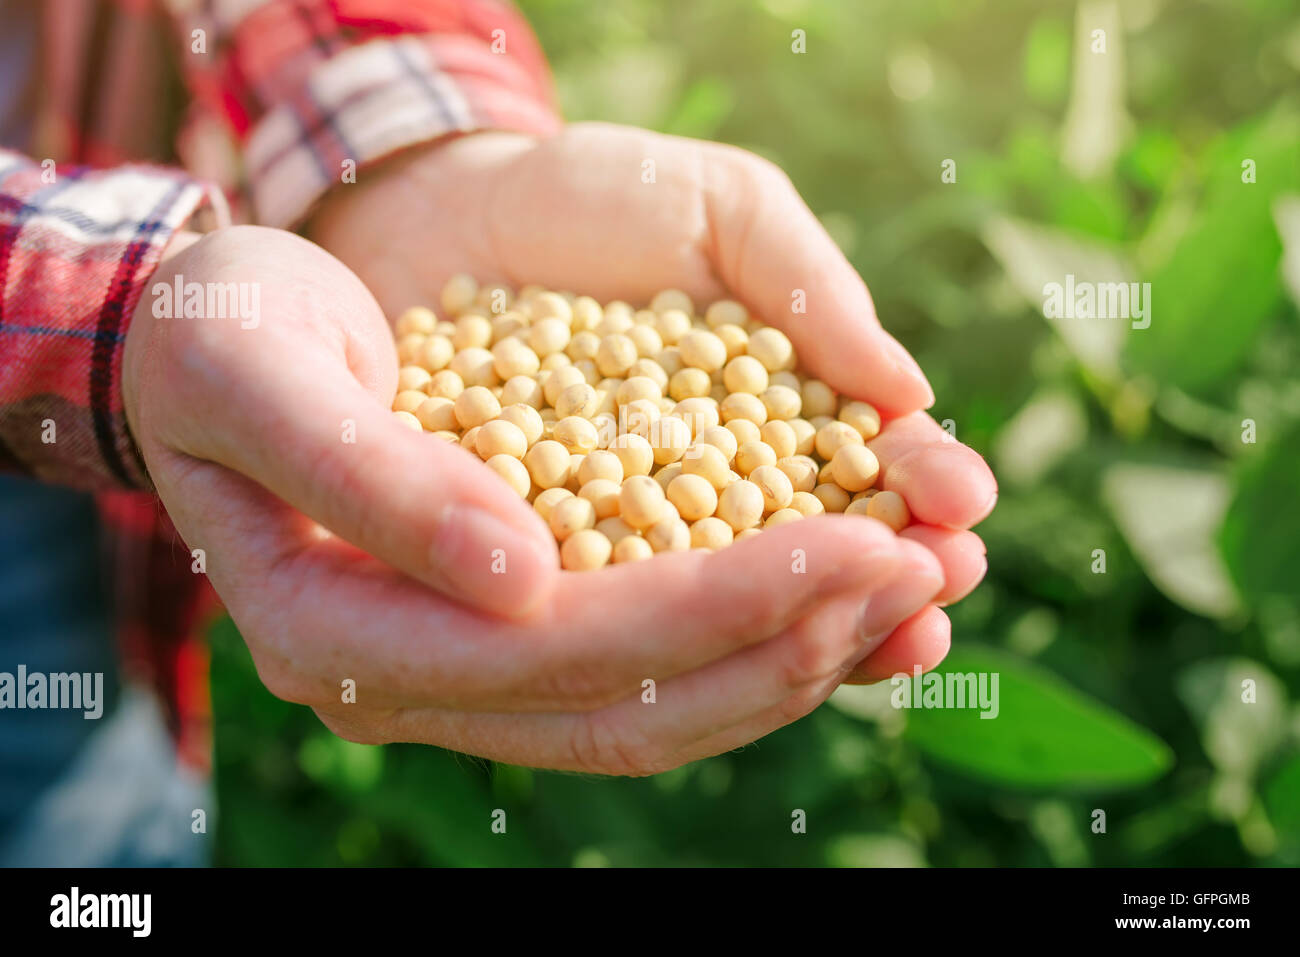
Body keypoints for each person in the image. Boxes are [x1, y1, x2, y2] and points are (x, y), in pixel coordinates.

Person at [0, 0, 996, 866]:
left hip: (102, 407)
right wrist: (119, 307)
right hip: (71, 363)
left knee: (93, 810)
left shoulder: (650, 401)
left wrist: (420, 153)